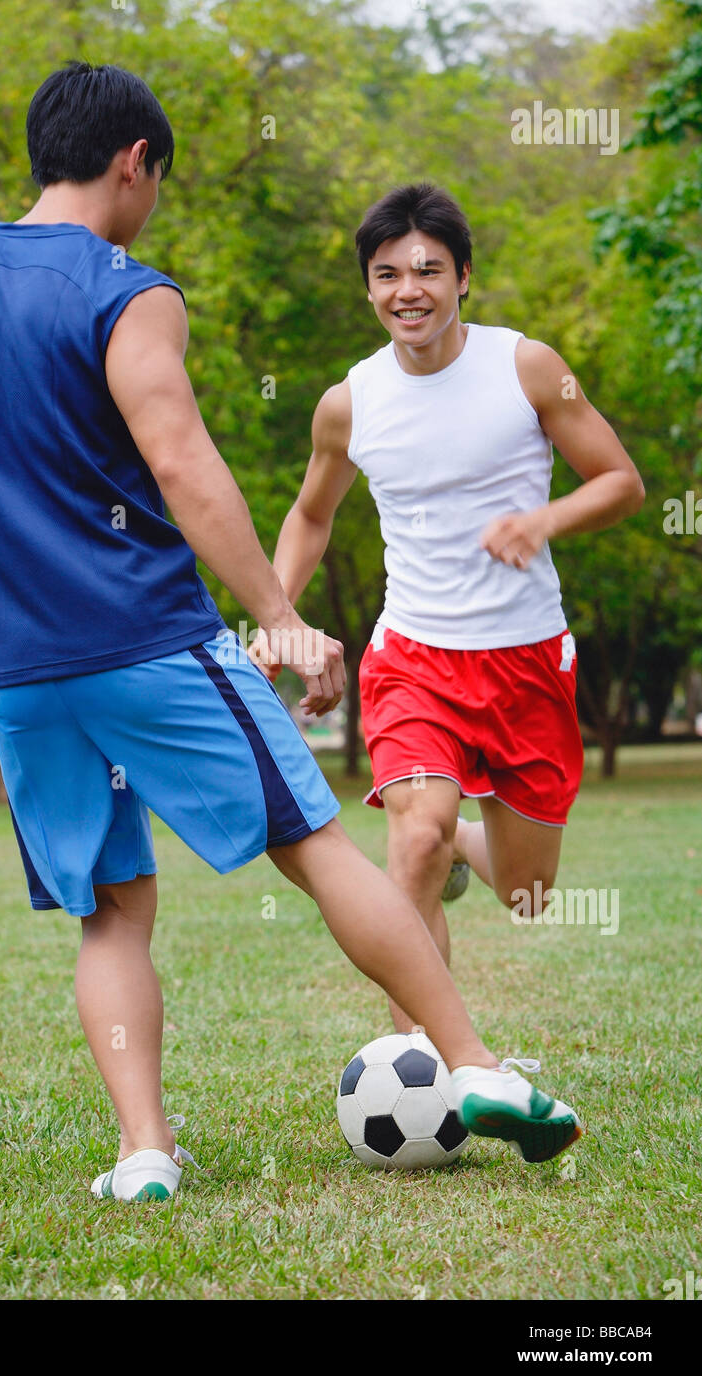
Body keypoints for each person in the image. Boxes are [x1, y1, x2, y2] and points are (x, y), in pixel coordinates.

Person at [0, 70, 582, 1202]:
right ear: (134, 160)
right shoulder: (127, 290)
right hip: (148, 639)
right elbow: (180, 457)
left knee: (109, 910)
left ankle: (144, 1150)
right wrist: (279, 620)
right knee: (319, 846)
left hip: (22, 675)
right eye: (156, 182)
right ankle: (472, 1063)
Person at [255, 183, 645, 1035]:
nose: (409, 290)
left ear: (463, 276)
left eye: (429, 270)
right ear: (367, 287)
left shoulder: (527, 366)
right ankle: (418, 1068)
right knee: (414, 841)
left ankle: (471, 847)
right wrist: (278, 614)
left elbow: (621, 482)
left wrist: (542, 519)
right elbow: (311, 515)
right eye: (388, 273)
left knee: (528, 894)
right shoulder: (347, 402)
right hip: (413, 658)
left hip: (525, 658)